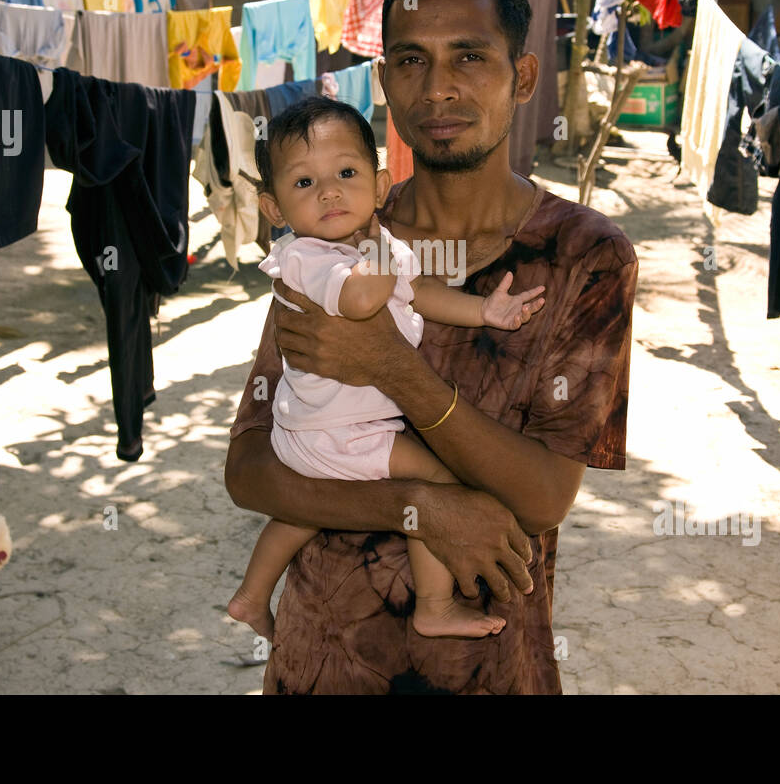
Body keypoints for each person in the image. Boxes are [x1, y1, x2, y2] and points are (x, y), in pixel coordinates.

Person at [224, 0, 638, 694]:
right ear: (385, 83)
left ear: (522, 78)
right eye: (412, 61)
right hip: (323, 664)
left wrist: (390, 367)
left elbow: (543, 498)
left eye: (470, 57)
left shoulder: (586, 256)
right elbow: (252, 470)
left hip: (491, 669)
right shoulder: (332, 237)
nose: (438, 89)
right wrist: (419, 508)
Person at [228, 96, 546, 641]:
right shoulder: (306, 256)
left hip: (324, 427)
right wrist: (377, 246)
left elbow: (417, 292)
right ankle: (436, 605)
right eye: (304, 183)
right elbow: (361, 302)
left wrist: (483, 311)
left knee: (308, 510)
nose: (330, 191)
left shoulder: (373, 246)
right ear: (274, 209)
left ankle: (251, 595)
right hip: (337, 431)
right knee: (439, 485)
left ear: (378, 186)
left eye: (346, 173)